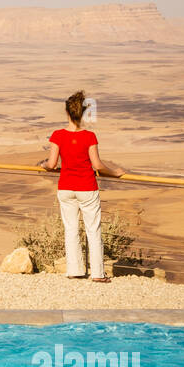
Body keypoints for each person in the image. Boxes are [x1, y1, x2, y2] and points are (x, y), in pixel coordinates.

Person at [36, 91, 127, 282]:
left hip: (66, 188)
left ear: (66, 112)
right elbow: (98, 166)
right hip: (87, 187)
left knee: (71, 230)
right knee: (93, 230)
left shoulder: (57, 135)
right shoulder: (89, 136)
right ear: (83, 113)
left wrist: (42, 165)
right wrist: (116, 172)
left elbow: (52, 164)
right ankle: (97, 274)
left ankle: (75, 270)